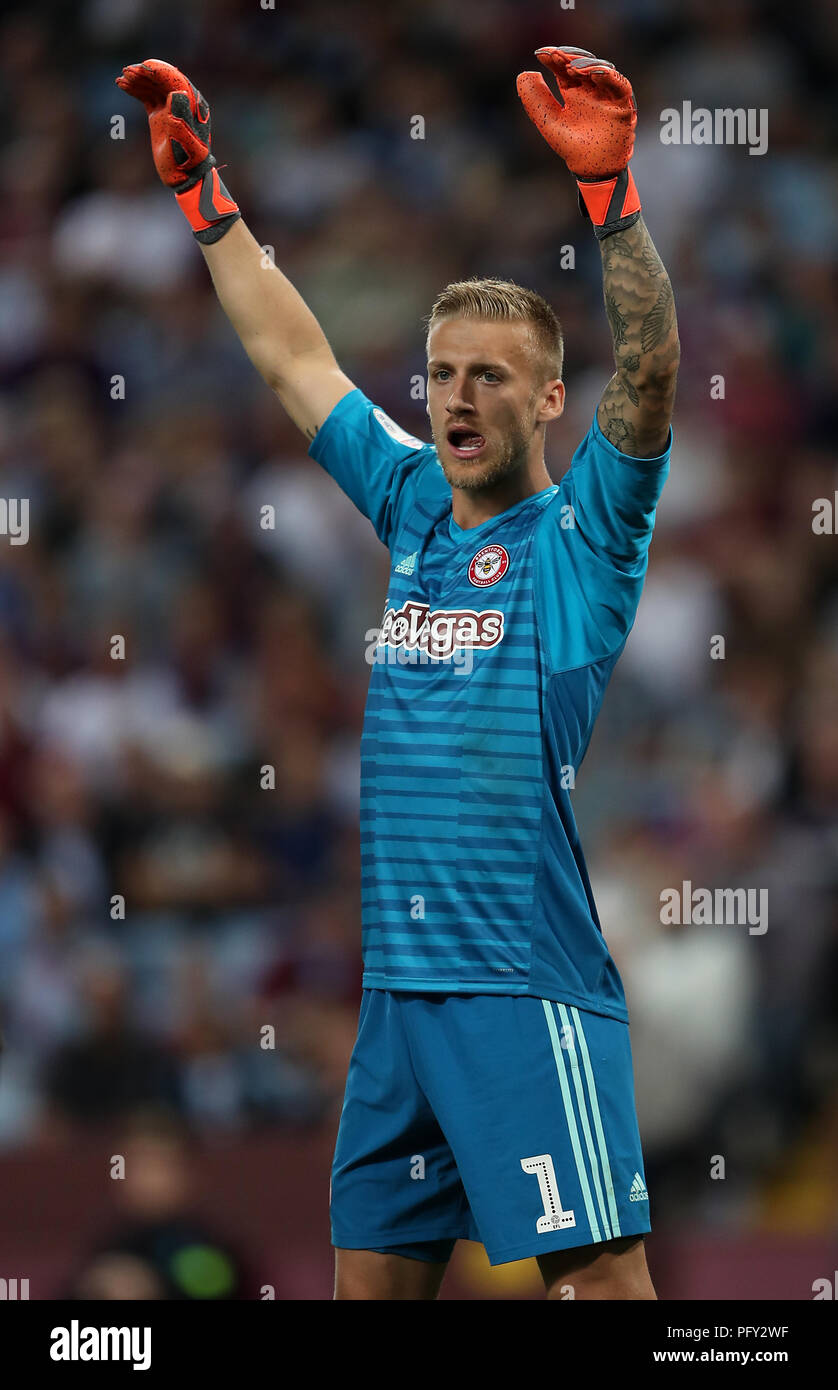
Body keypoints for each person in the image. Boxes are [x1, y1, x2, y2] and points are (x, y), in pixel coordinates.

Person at [116, 43, 679, 1300]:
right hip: (396, 1005)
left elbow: (644, 382)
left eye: (490, 376)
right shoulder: (412, 502)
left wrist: (613, 206)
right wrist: (207, 198)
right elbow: (294, 360)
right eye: (438, 374)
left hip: (521, 992)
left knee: (607, 1298)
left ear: (547, 401)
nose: (455, 398)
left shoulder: (583, 542)